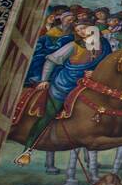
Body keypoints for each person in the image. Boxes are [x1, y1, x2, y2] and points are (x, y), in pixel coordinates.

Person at [16, 22, 112, 165]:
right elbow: (51, 61)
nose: (82, 31)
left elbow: (107, 65)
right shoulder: (73, 46)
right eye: (79, 30)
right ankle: (27, 150)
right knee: (48, 114)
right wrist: (44, 80)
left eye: (84, 27)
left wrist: (96, 72)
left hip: (90, 86)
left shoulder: (104, 46)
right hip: (65, 85)